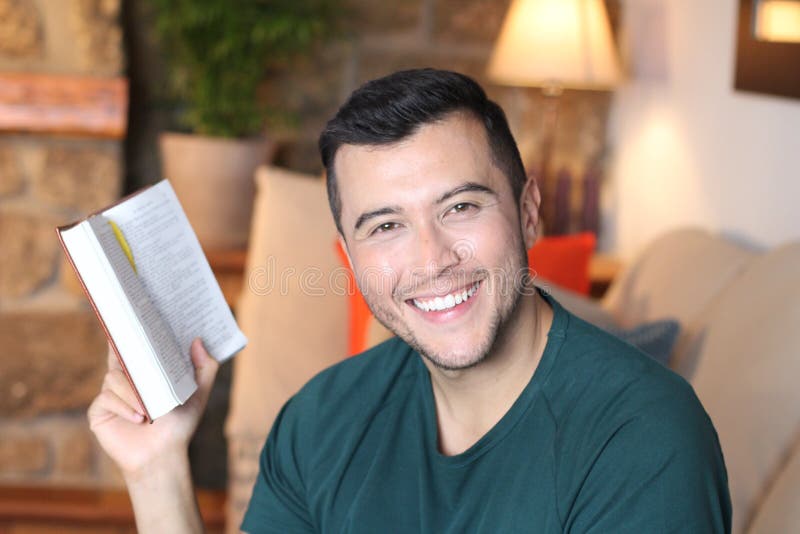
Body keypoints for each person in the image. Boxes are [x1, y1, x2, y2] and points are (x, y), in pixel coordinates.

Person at [89, 69, 731, 533]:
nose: (431, 259)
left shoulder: (643, 438)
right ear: (350, 263)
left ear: (529, 213)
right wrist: (157, 469)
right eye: (386, 225)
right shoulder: (320, 422)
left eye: (460, 206)